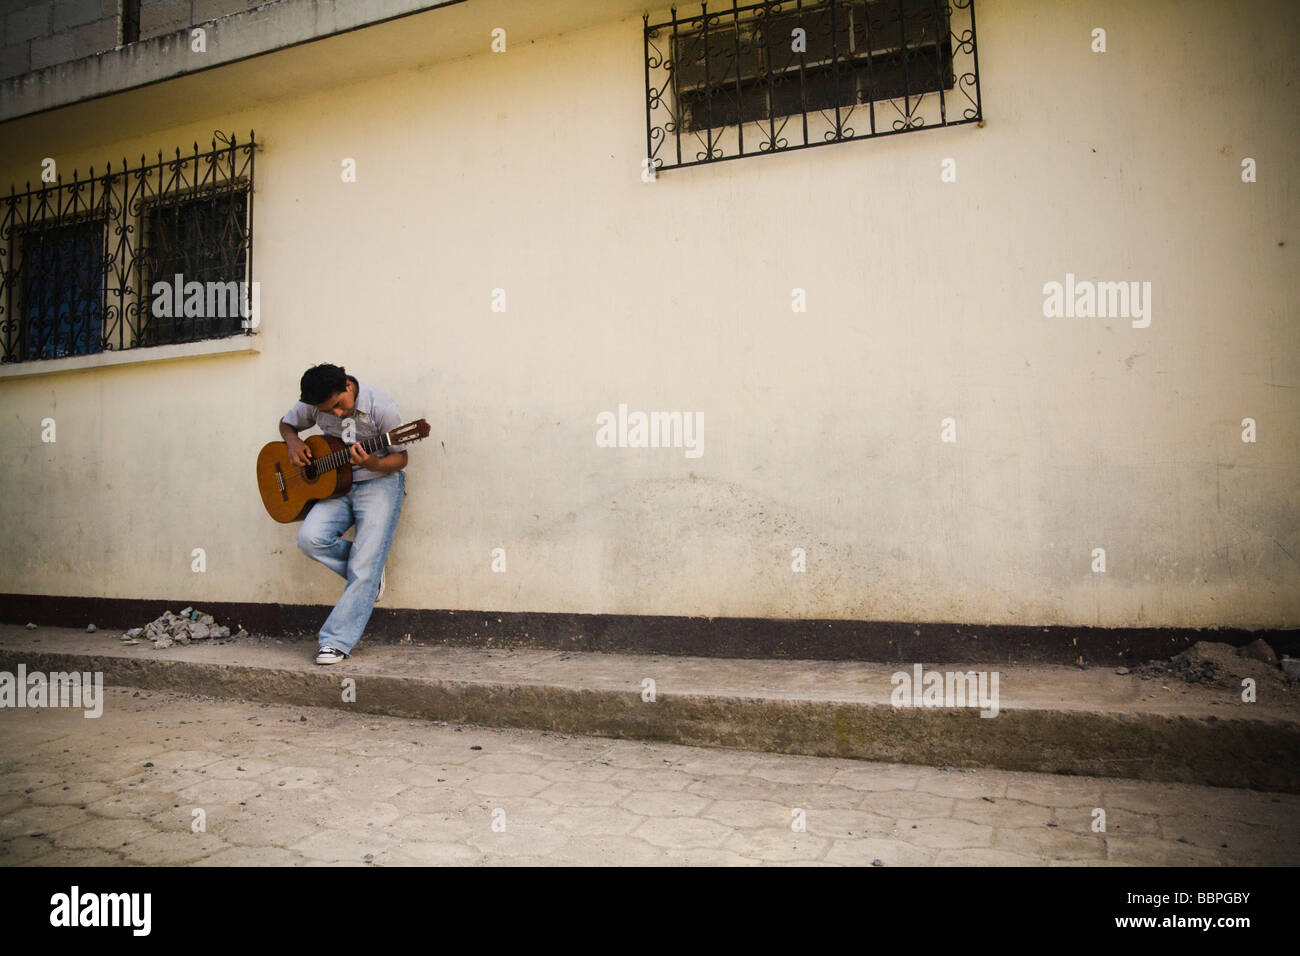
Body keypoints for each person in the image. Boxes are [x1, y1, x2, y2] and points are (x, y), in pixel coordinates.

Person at [278, 364, 407, 664]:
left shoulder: (381, 406)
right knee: (310, 539)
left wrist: (375, 465)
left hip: (379, 481)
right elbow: (287, 424)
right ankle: (369, 576)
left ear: (349, 385)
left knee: (365, 565)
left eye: (339, 405)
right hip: (335, 484)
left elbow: (401, 457)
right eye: (328, 411)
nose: (335, 414)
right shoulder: (316, 403)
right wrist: (293, 441)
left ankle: (335, 641)